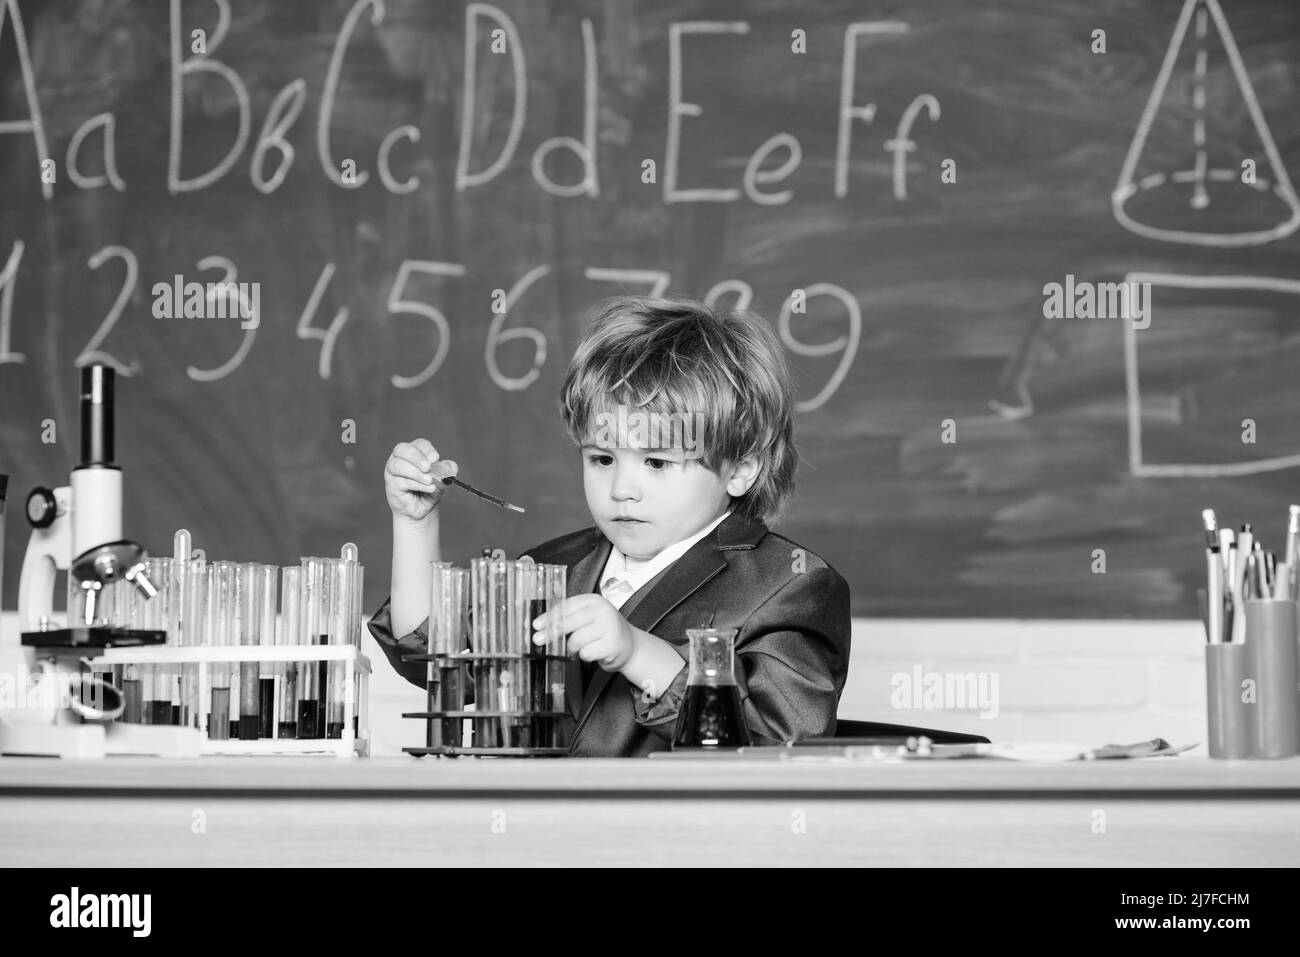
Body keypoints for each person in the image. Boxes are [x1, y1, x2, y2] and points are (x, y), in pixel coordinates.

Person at [367, 296, 851, 756]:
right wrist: (415, 522)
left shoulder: (792, 585)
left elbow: (780, 742)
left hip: (676, 839)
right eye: (601, 458)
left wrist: (638, 652)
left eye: (657, 463)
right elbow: (428, 659)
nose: (622, 488)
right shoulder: (552, 568)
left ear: (741, 467)